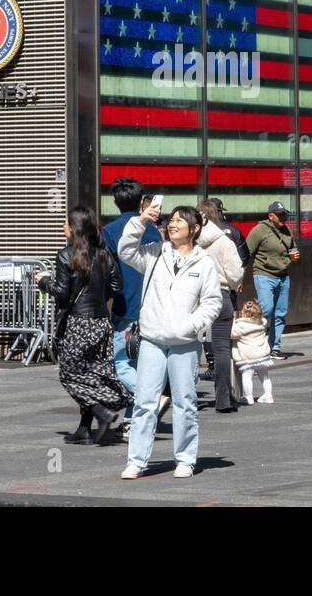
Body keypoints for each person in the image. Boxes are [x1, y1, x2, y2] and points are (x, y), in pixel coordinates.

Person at [117, 204, 222, 480]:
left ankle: (186, 458)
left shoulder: (204, 262)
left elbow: (213, 302)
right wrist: (140, 220)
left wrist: (191, 325)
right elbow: (125, 251)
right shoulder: (155, 253)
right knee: (144, 402)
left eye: (180, 221)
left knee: (185, 401)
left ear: (195, 229)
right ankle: (136, 460)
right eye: (171, 220)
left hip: (185, 342)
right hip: (152, 338)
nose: (173, 224)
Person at [38, 206, 130, 445]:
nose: (63, 228)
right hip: (101, 322)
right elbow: (117, 288)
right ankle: (84, 428)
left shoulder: (66, 255)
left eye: (65, 224)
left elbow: (60, 293)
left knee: (70, 375)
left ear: (75, 228)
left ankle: (102, 412)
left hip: (78, 323)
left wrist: (44, 281)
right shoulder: (104, 254)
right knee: (93, 373)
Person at [101, 177, 159, 426]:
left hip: (125, 303)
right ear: (141, 202)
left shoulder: (110, 231)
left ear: (115, 202)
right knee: (139, 362)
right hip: (150, 302)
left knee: (121, 362)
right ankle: (131, 420)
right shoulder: (153, 230)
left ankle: (151, 398)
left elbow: (105, 269)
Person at [196, 200, 243, 413]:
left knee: (194, 349)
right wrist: (233, 284)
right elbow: (235, 274)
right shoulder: (224, 241)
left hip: (195, 301)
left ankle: (185, 396)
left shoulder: (190, 243)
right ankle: (223, 399)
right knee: (222, 349)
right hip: (220, 297)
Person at [246, 201, 298, 359]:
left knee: (280, 313)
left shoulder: (287, 230)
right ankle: (255, 344)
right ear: (271, 216)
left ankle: (274, 348)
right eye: (280, 215)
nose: (283, 217)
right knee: (266, 309)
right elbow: (246, 252)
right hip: (263, 274)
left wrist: (293, 256)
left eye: (284, 214)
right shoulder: (259, 230)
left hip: (283, 276)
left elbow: (292, 249)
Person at [231, 299, 274, 405]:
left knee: (247, 377)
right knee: (265, 377)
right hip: (262, 356)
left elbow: (232, 334)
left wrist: (232, 321)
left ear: (243, 313)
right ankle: (268, 395)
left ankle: (248, 397)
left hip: (248, 358)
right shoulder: (261, 323)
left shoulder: (240, 326)